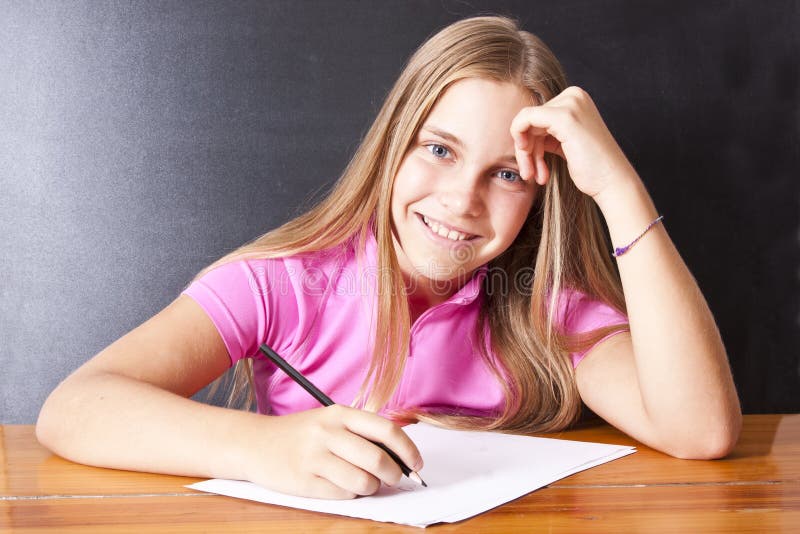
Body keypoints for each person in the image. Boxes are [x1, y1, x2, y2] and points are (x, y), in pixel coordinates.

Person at [36, 15, 742, 500]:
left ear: (541, 193)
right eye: (439, 150)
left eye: (507, 175)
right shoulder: (281, 285)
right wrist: (263, 448)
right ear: (392, 147)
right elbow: (76, 407)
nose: (462, 200)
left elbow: (701, 430)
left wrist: (617, 188)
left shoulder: (544, 307)